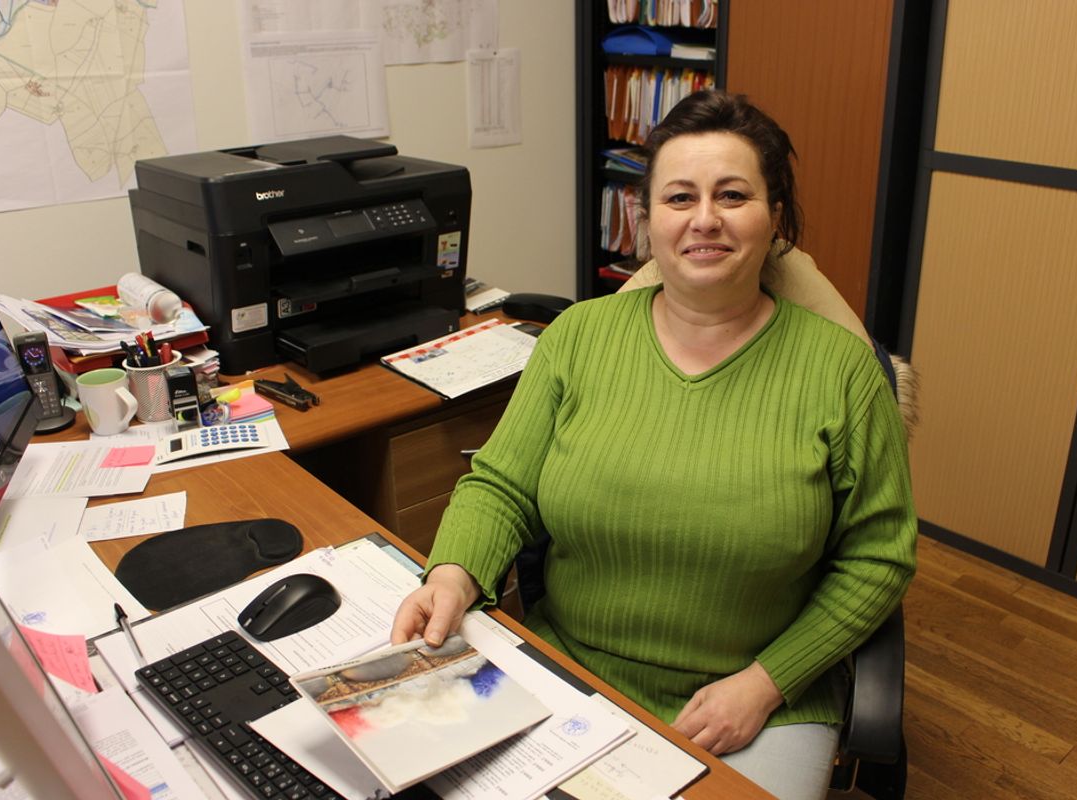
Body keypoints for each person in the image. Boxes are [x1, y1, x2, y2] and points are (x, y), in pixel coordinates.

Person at [391, 90, 917, 800]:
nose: (705, 219)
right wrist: (452, 574)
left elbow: (879, 557)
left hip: (759, 697)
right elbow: (501, 486)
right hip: (568, 666)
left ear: (776, 219)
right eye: (679, 198)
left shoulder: (842, 372)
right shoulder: (579, 337)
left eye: (733, 195)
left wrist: (766, 684)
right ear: (647, 221)